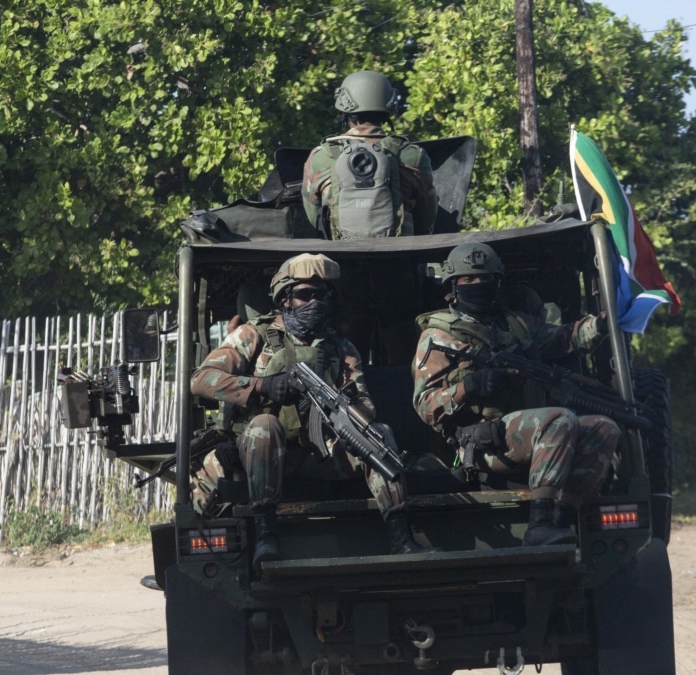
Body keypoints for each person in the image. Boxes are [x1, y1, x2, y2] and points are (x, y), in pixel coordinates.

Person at [191, 253, 432, 570]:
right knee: (264, 424)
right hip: (264, 457)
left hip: (322, 455)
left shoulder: (339, 348)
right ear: (285, 299)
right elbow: (201, 380)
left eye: (323, 295)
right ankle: (265, 534)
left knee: (379, 435)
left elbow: (365, 405)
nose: (315, 302)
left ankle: (401, 536)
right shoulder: (254, 336)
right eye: (305, 294)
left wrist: (340, 412)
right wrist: (262, 387)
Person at [411, 243, 622, 546]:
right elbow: (426, 406)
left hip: (534, 434)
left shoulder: (518, 325)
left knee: (603, 428)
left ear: (497, 283)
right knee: (559, 419)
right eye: (468, 280)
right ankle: (538, 524)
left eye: (485, 279)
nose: (478, 285)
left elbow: (566, 338)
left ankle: (561, 520)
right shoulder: (437, 336)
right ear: (452, 287)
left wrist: (601, 323)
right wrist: (468, 388)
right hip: (482, 443)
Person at [302, 70, 438, 239]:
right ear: (388, 108)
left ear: (344, 108)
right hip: (400, 259)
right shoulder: (411, 155)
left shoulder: (321, 157)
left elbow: (313, 218)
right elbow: (426, 219)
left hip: (339, 259)